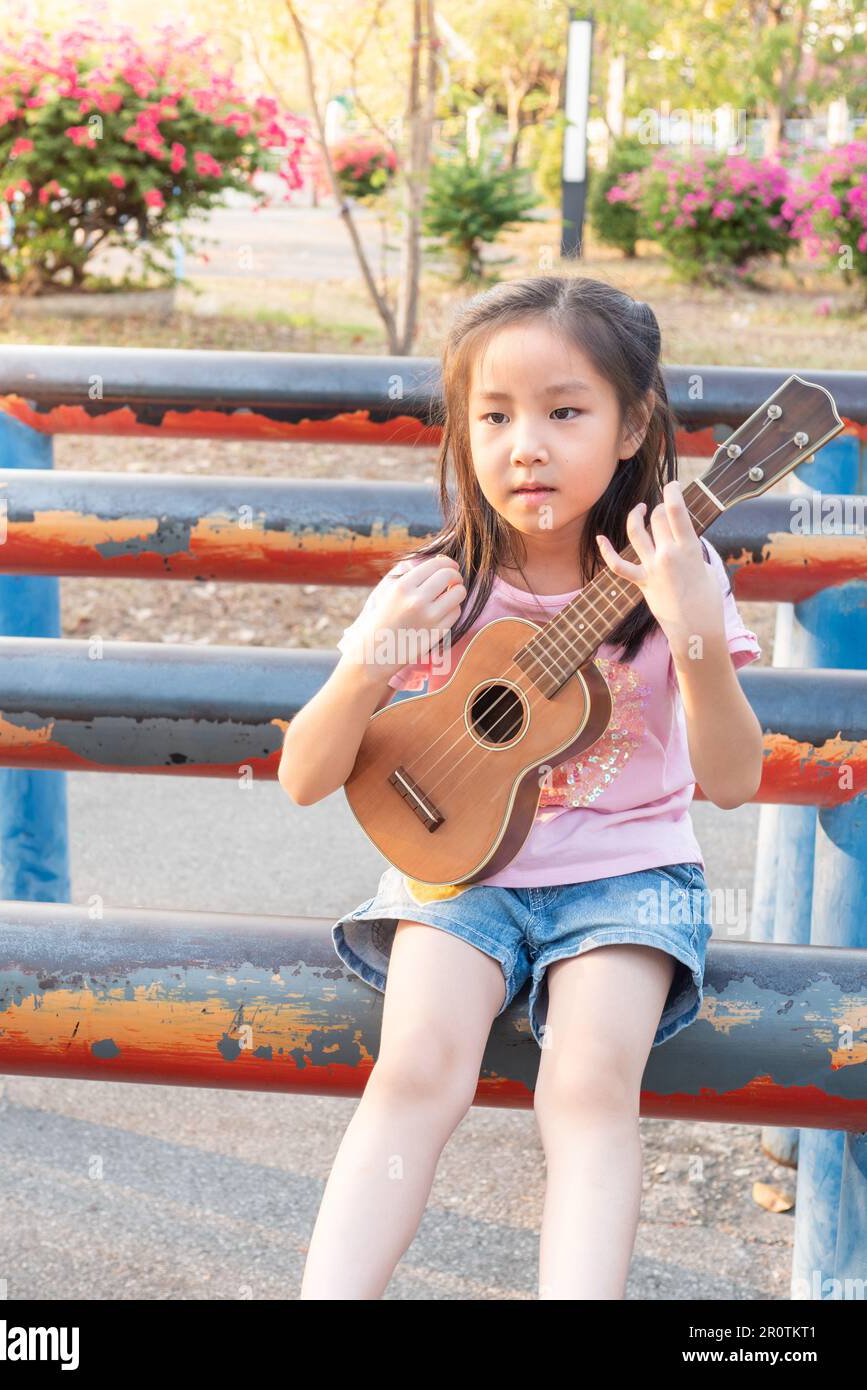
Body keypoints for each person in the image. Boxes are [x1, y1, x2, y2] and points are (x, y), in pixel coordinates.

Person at [278, 274, 763, 1300]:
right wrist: (365, 661)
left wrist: (695, 628)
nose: (526, 444)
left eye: (564, 411)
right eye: (493, 416)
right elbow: (304, 778)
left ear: (633, 425)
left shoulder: (682, 571)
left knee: (585, 1087)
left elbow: (729, 780)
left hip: (628, 879)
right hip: (456, 874)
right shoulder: (441, 585)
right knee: (414, 1069)